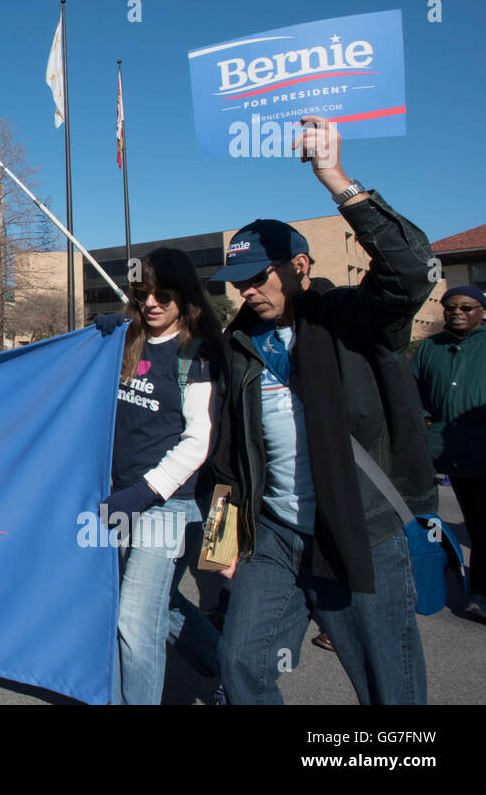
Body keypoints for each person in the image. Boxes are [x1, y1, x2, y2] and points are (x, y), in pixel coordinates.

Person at [210, 116, 436, 705]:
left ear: (300, 267)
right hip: (277, 534)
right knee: (240, 663)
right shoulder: (238, 345)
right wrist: (221, 542)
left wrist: (335, 178)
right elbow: (231, 454)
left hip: (361, 529)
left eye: (257, 278)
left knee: (388, 681)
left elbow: (410, 273)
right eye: (237, 285)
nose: (247, 292)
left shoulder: (353, 321)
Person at [95, 248, 225, 704]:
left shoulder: (197, 353)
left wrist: (144, 492)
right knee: (157, 606)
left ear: (184, 296)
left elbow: (197, 442)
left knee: (132, 617)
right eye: (141, 293)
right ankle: (230, 667)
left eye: (163, 294)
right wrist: (98, 337)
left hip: (165, 505)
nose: (151, 303)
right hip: (120, 494)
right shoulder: (127, 341)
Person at [410, 284, 486, 622]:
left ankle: (480, 593)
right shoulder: (430, 348)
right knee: (437, 524)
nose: (457, 312)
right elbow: (413, 391)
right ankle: (429, 585)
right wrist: (424, 418)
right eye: (450, 307)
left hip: (482, 449)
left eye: (467, 308)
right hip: (441, 450)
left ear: (482, 312)